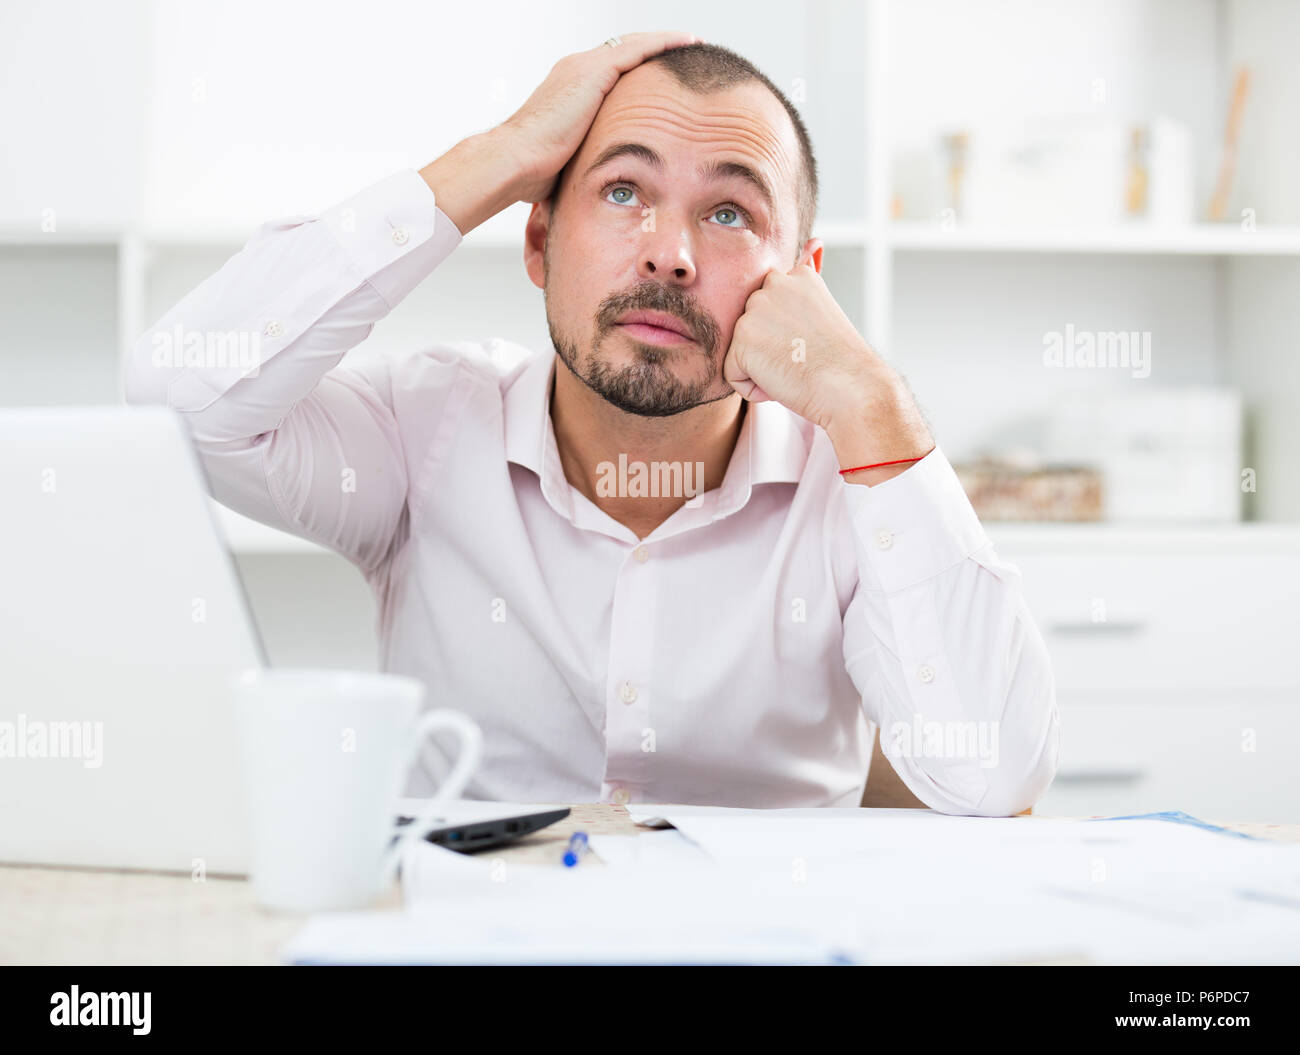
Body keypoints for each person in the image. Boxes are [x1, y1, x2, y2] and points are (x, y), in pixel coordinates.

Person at [124, 32, 1059, 814]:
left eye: (729, 211)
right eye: (622, 192)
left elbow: (994, 776)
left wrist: (871, 401)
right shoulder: (425, 429)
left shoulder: (853, 479)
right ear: (538, 240)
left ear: (802, 280)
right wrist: (500, 152)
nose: (671, 255)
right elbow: (181, 395)